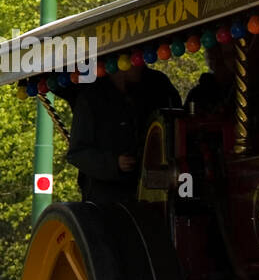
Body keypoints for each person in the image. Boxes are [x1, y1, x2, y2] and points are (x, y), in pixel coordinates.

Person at [67, 63, 182, 203]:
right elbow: (77, 154)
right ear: (119, 64)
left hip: (157, 195)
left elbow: (178, 120)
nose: (141, 65)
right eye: (135, 60)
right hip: (107, 203)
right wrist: (115, 164)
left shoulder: (158, 85)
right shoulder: (91, 97)